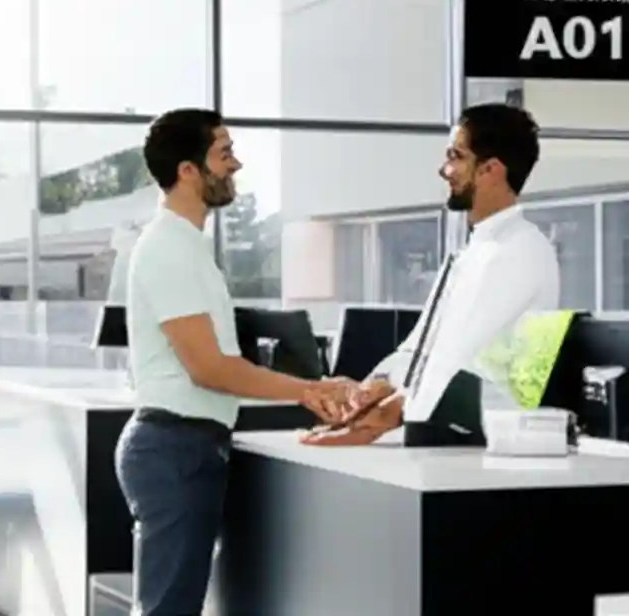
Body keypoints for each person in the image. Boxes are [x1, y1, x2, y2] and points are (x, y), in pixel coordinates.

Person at [114, 108, 354, 615]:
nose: (236, 164)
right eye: (223, 154)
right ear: (187, 170)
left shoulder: (189, 248)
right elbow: (210, 368)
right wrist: (309, 390)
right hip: (174, 448)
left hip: (190, 445)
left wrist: (305, 389)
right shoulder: (167, 249)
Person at [303, 103, 560, 446]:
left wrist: (385, 414)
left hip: (483, 442)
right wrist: (373, 388)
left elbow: (461, 362)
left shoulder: (521, 251)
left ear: (491, 170)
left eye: (456, 156)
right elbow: (420, 346)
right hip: (444, 433)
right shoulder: (469, 254)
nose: (445, 170)